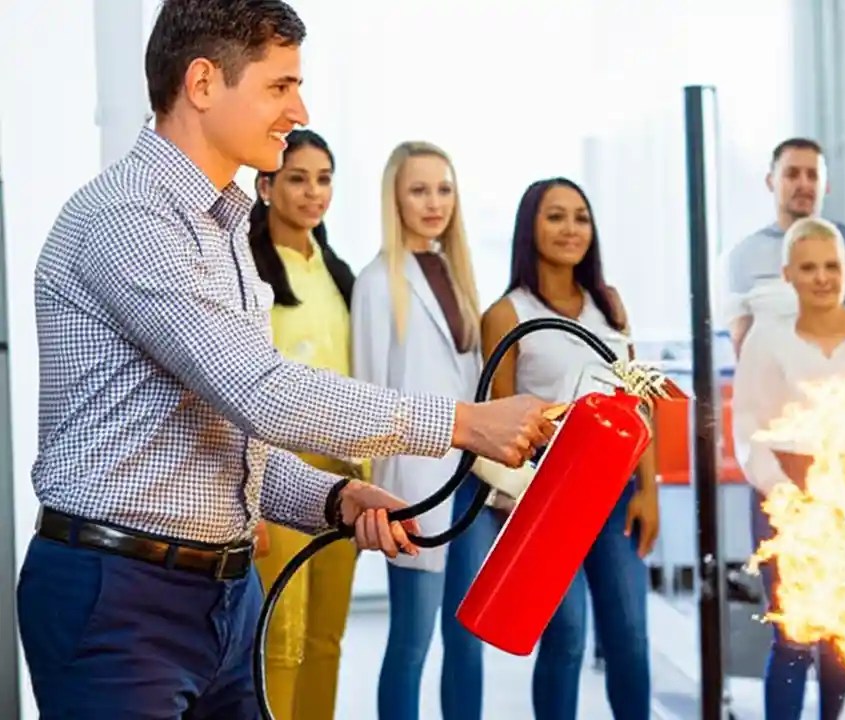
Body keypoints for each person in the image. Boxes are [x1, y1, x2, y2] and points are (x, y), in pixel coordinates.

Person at [14, 2, 553, 717]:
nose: (299, 109)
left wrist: (332, 498)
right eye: (280, 86)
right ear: (203, 83)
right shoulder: (130, 218)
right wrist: (463, 422)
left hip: (224, 597)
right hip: (122, 598)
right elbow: (262, 392)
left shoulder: (224, 228)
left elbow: (222, 437)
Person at [439, 177, 659, 720]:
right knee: (567, 636)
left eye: (581, 217)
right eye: (555, 216)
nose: (570, 229)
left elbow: (638, 402)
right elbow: (500, 420)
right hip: (549, 498)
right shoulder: (507, 314)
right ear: (529, 227)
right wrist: (523, 504)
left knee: (629, 634)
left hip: (615, 494)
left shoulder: (610, 306)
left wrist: (649, 488)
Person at [732, 216, 845, 720]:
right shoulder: (766, 338)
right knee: (792, 633)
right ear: (787, 275)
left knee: (843, 634)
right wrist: (789, 500)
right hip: (785, 488)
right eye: (808, 268)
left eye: (832, 266)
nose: (823, 278)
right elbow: (750, 433)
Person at [351, 140, 484, 720]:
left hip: (469, 480)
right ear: (395, 198)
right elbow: (369, 396)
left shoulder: (459, 276)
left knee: (468, 636)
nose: (434, 203)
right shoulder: (378, 282)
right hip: (414, 484)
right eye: (419, 190)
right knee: (411, 642)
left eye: (444, 189)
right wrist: (380, 496)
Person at [247, 127, 362, 720]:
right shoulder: (249, 274)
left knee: (326, 639)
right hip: (277, 480)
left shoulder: (339, 275)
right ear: (265, 185)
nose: (313, 192)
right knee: (281, 640)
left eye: (323, 179)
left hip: (342, 481)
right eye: (297, 178)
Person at [718, 137, 845, 357]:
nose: (804, 184)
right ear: (771, 181)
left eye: (813, 175)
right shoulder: (742, 256)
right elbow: (742, 345)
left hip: (843, 382)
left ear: (826, 185)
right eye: (792, 174)